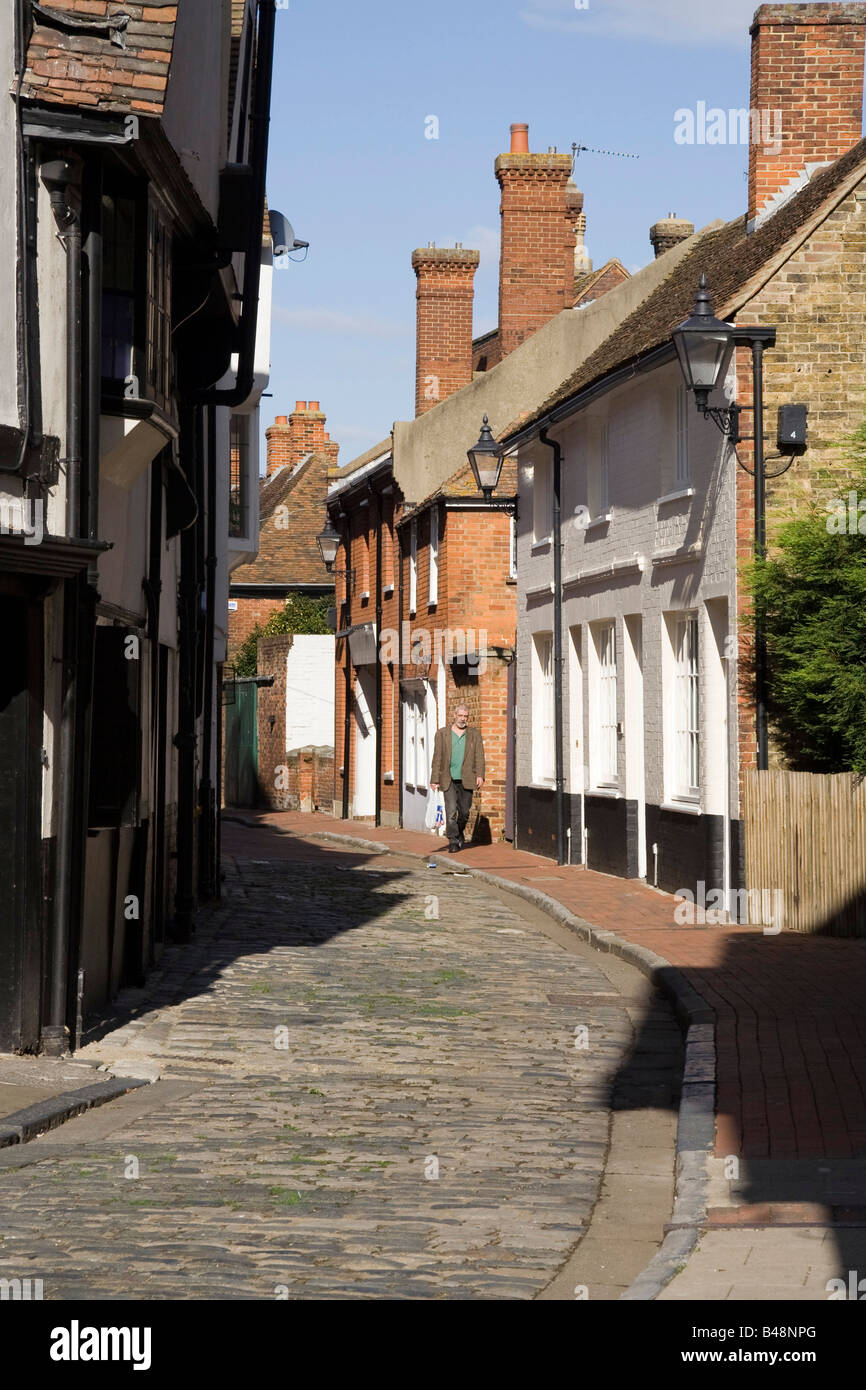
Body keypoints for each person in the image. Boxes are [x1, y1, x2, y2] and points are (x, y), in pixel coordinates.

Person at [430, 703, 485, 853]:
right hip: (448, 779)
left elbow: (479, 756)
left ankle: (459, 831)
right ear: (454, 715)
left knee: (465, 812)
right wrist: (434, 779)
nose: (462, 719)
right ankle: (453, 840)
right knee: (451, 811)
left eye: (465, 716)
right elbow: (437, 758)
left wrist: (480, 775)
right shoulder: (442, 734)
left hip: (467, 778)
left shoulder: (474, 734)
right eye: (460, 716)